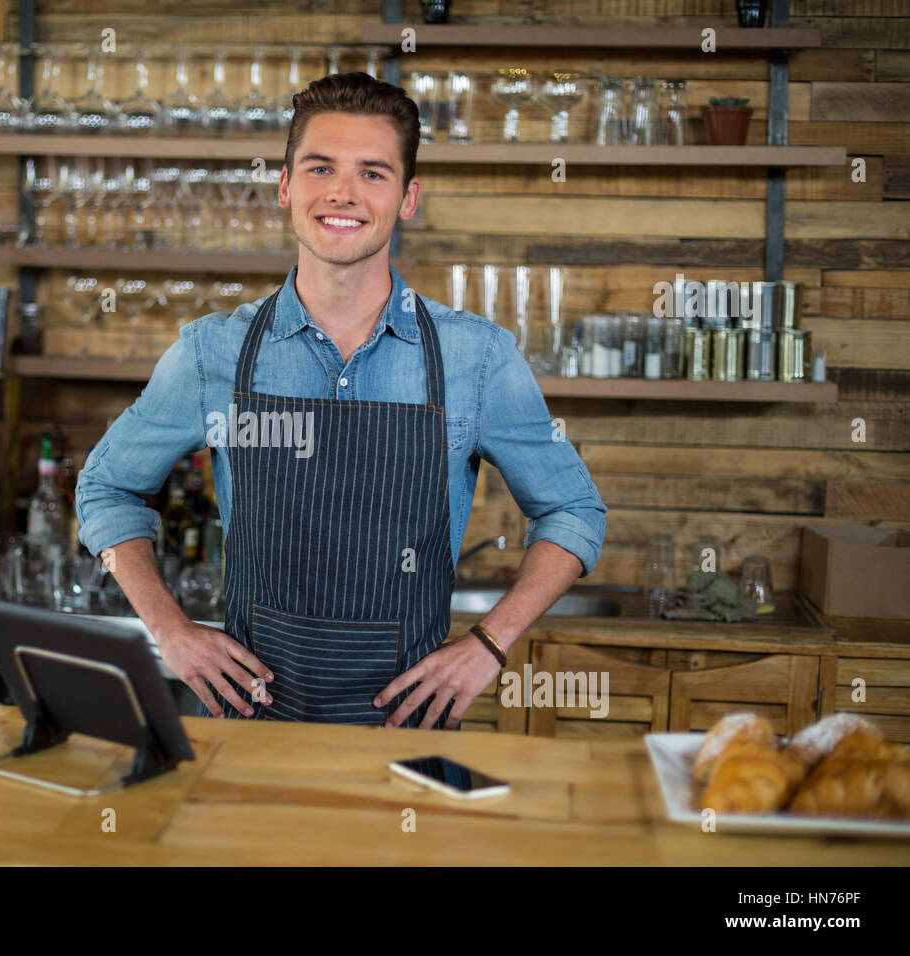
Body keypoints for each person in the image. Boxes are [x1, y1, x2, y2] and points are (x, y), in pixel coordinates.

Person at [76, 71, 606, 730]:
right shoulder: (211, 353)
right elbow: (104, 490)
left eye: (373, 173)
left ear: (408, 198)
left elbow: (573, 512)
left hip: (405, 744)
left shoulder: (479, 359)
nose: (342, 193)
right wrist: (171, 632)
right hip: (249, 737)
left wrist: (488, 645)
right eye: (320, 167)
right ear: (285, 185)